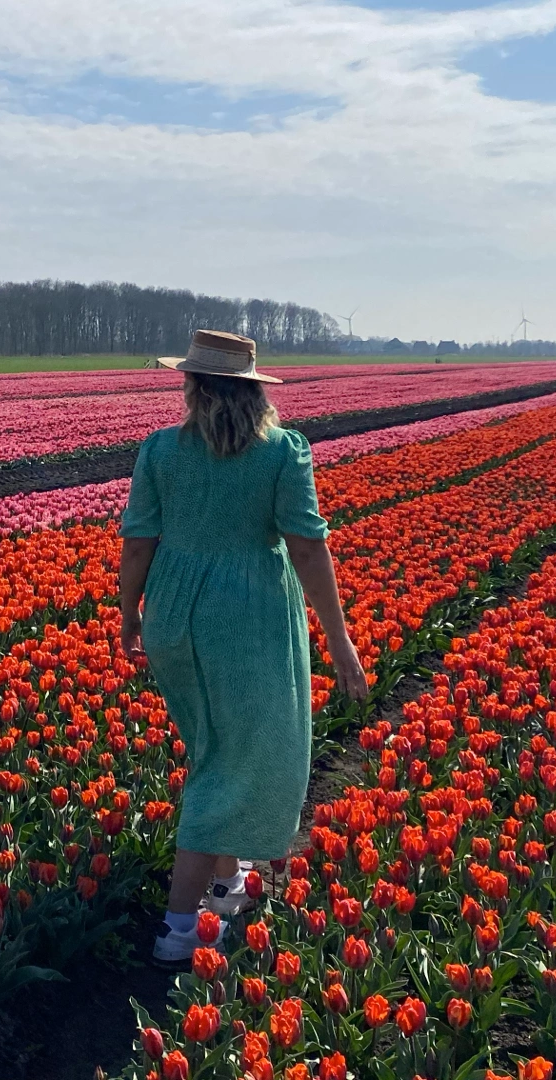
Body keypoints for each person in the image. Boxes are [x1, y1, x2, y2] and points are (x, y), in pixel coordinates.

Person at [117, 329, 369, 966]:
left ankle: (227, 884)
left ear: (194, 385)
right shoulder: (282, 452)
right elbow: (307, 546)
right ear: (255, 392)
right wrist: (339, 641)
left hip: (174, 612)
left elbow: (139, 540)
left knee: (213, 747)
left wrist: (129, 612)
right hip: (248, 615)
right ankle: (179, 928)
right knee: (235, 757)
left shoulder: (159, 452)